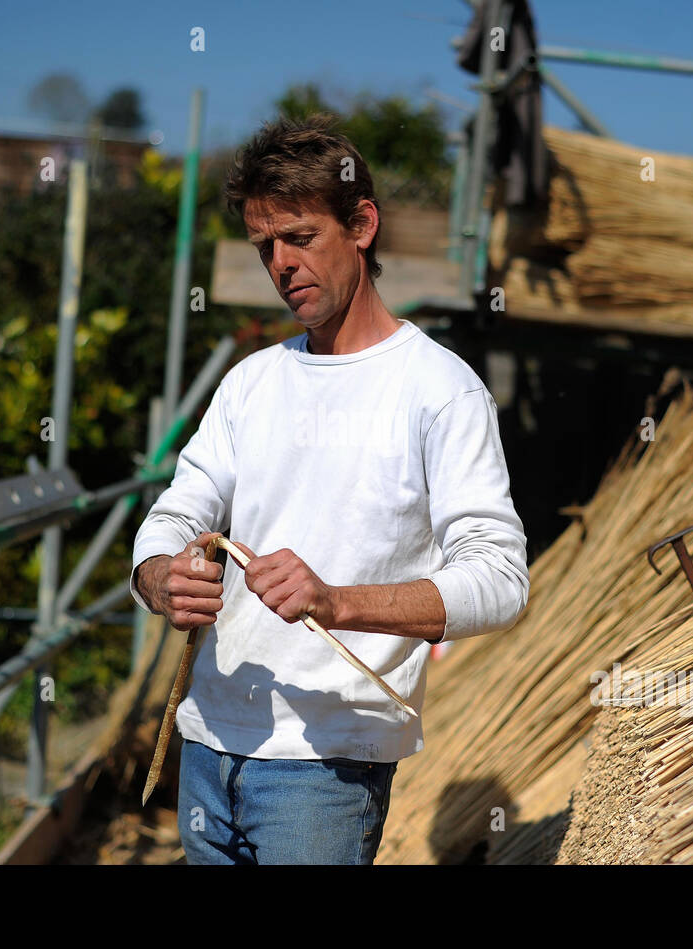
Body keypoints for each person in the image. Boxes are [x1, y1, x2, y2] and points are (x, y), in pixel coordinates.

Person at [130, 114, 528, 865]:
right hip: (209, 748)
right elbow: (175, 511)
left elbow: (502, 580)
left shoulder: (439, 390)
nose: (280, 264)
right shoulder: (251, 382)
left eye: (300, 237)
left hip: (326, 768)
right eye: (264, 246)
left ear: (362, 225)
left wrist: (336, 601)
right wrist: (160, 578)